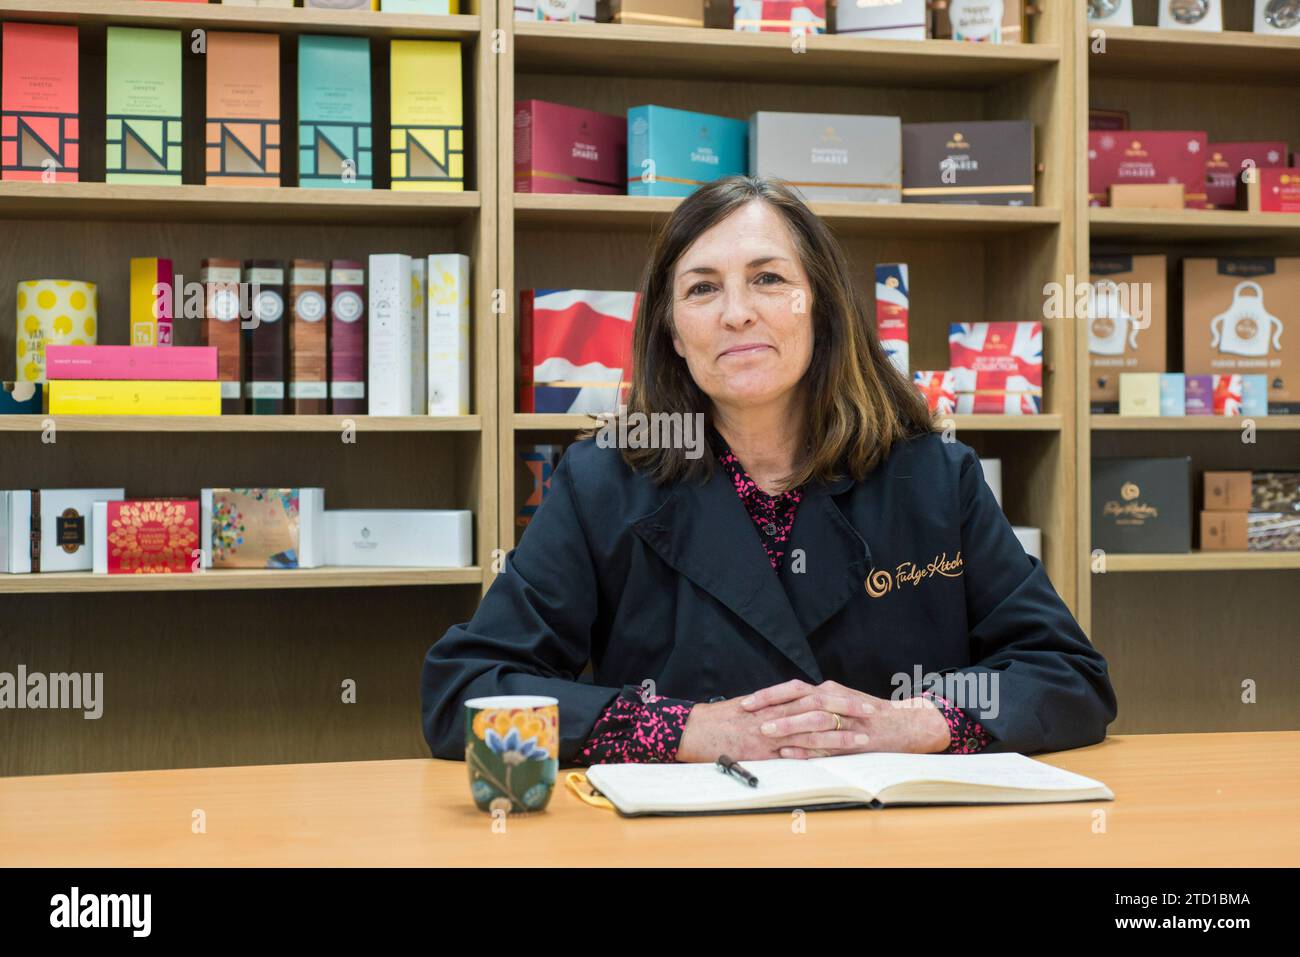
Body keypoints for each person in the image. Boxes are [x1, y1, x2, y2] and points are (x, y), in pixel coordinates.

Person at [421, 175, 1117, 766]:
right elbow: (465, 690)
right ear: (670, 329)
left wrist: (912, 724)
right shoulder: (600, 481)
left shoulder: (936, 477)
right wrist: (683, 729)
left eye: (768, 278)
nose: (736, 313)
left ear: (819, 304)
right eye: (701, 288)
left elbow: (1066, 676)